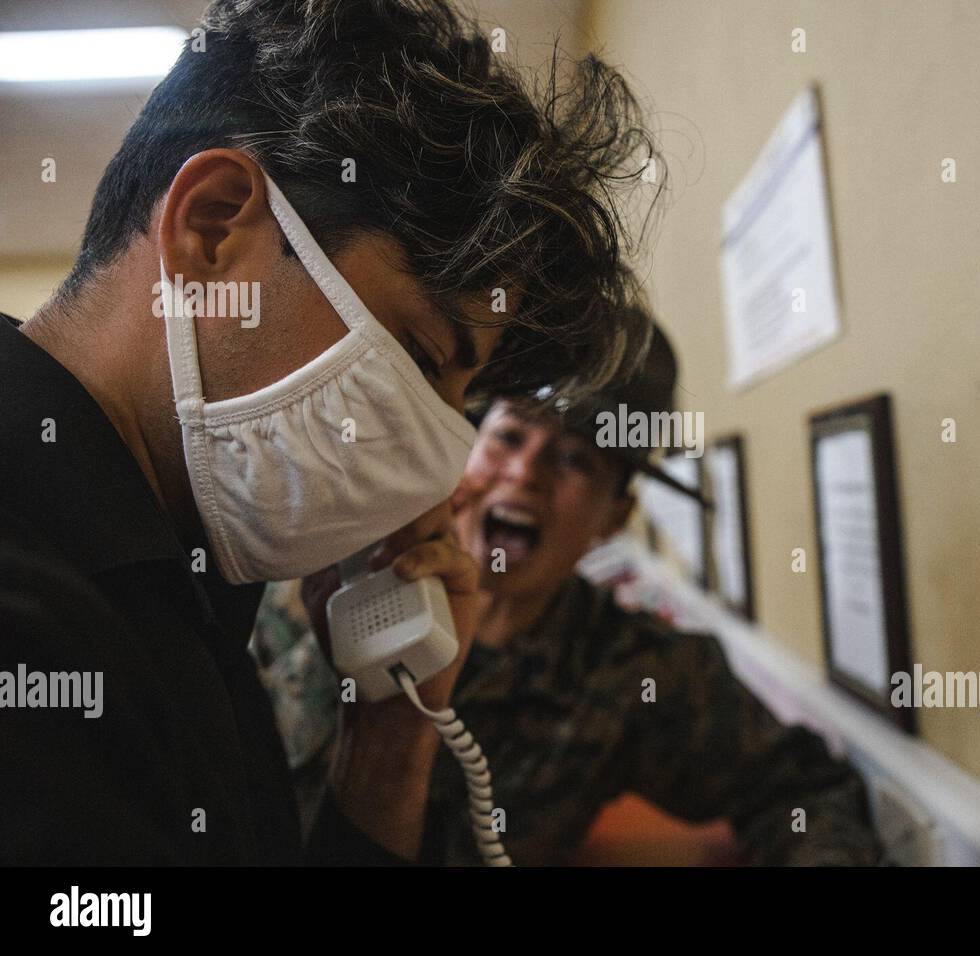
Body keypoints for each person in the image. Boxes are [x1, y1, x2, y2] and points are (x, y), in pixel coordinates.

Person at [0, 0, 653, 865]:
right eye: (420, 356)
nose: (439, 473)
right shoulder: (33, 626)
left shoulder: (188, 578)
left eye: (458, 401)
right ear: (212, 229)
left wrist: (389, 735)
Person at [282, 322, 884, 865]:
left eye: (575, 459)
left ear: (615, 518)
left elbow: (798, 788)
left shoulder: (632, 672)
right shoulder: (333, 577)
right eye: (509, 436)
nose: (525, 474)